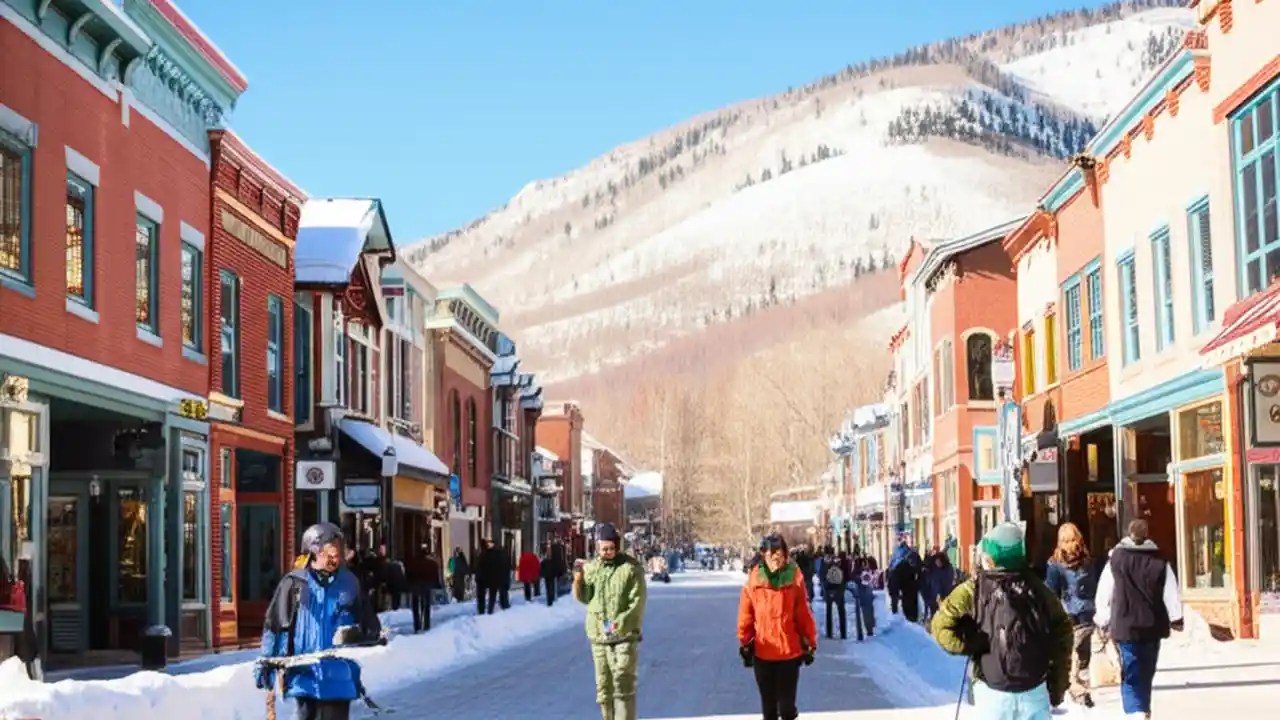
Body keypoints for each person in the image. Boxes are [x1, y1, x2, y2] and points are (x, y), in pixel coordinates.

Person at [931, 523, 1073, 719]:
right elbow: (1063, 635)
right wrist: (1058, 684)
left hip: (991, 691)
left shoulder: (974, 589)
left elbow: (940, 626)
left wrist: (969, 644)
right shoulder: (1040, 590)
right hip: (1034, 690)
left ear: (990, 556)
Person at [254, 523, 381, 720]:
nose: (335, 557)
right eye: (329, 552)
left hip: (338, 678)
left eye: (338, 552)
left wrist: (364, 635)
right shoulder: (294, 583)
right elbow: (274, 625)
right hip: (303, 675)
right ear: (314, 552)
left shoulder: (349, 583)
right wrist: (266, 663)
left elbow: (369, 624)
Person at [1094, 519, 1183, 720]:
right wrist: (1176, 617)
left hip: (1125, 625)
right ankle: (1142, 709)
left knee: (1131, 670)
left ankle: (1136, 710)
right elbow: (1170, 592)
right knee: (1146, 669)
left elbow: (1104, 591)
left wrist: (1102, 618)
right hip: (1152, 625)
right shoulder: (1160, 561)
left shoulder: (1116, 560)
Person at [737, 533, 818, 720]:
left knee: (787, 708)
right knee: (769, 707)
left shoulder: (794, 579)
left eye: (779, 553)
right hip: (763, 652)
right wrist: (745, 641)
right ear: (763, 554)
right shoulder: (754, 581)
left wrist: (810, 641)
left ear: (785, 554)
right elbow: (745, 616)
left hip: (789, 652)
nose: (775, 557)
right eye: (771, 552)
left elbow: (803, 613)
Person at [574, 523, 647, 720]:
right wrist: (578, 580)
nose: (607, 552)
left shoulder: (631, 569)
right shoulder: (592, 568)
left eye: (611, 548)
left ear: (617, 546)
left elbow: (637, 602)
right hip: (599, 636)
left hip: (624, 635)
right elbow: (586, 598)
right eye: (603, 548)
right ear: (597, 547)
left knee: (623, 683)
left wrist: (621, 622)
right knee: (604, 690)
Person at [1044, 522, 1098, 708]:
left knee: (1068, 649)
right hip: (1087, 609)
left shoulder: (1054, 564)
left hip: (1066, 610)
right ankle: (1083, 681)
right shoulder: (1088, 560)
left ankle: (1073, 684)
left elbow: (1051, 591)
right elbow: (1094, 584)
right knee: (1084, 650)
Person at [405, 542, 442, 633]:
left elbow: (408, 575)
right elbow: (435, 576)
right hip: (426, 586)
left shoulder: (412, 562)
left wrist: (408, 585)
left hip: (415, 586)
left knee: (415, 607)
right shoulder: (432, 563)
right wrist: (436, 584)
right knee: (426, 606)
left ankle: (417, 625)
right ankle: (426, 624)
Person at [888, 539, 923, 622]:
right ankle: (910, 617)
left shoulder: (901, 562)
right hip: (906, 587)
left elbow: (921, 573)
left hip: (909, 587)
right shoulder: (902, 565)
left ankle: (911, 617)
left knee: (910, 602)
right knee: (909, 602)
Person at [921, 551, 957, 622]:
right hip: (933, 596)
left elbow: (948, 583)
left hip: (944, 596)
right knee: (934, 613)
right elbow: (929, 582)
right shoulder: (933, 569)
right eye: (936, 562)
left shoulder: (948, 569)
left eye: (939, 562)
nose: (938, 563)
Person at [822, 550, 850, 640]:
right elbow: (847, 577)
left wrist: (825, 588)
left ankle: (829, 633)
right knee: (841, 611)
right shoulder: (842, 564)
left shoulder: (826, 564)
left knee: (829, 612)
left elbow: (822, 576)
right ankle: (843, 633)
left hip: (829, 590)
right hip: (839, 590)